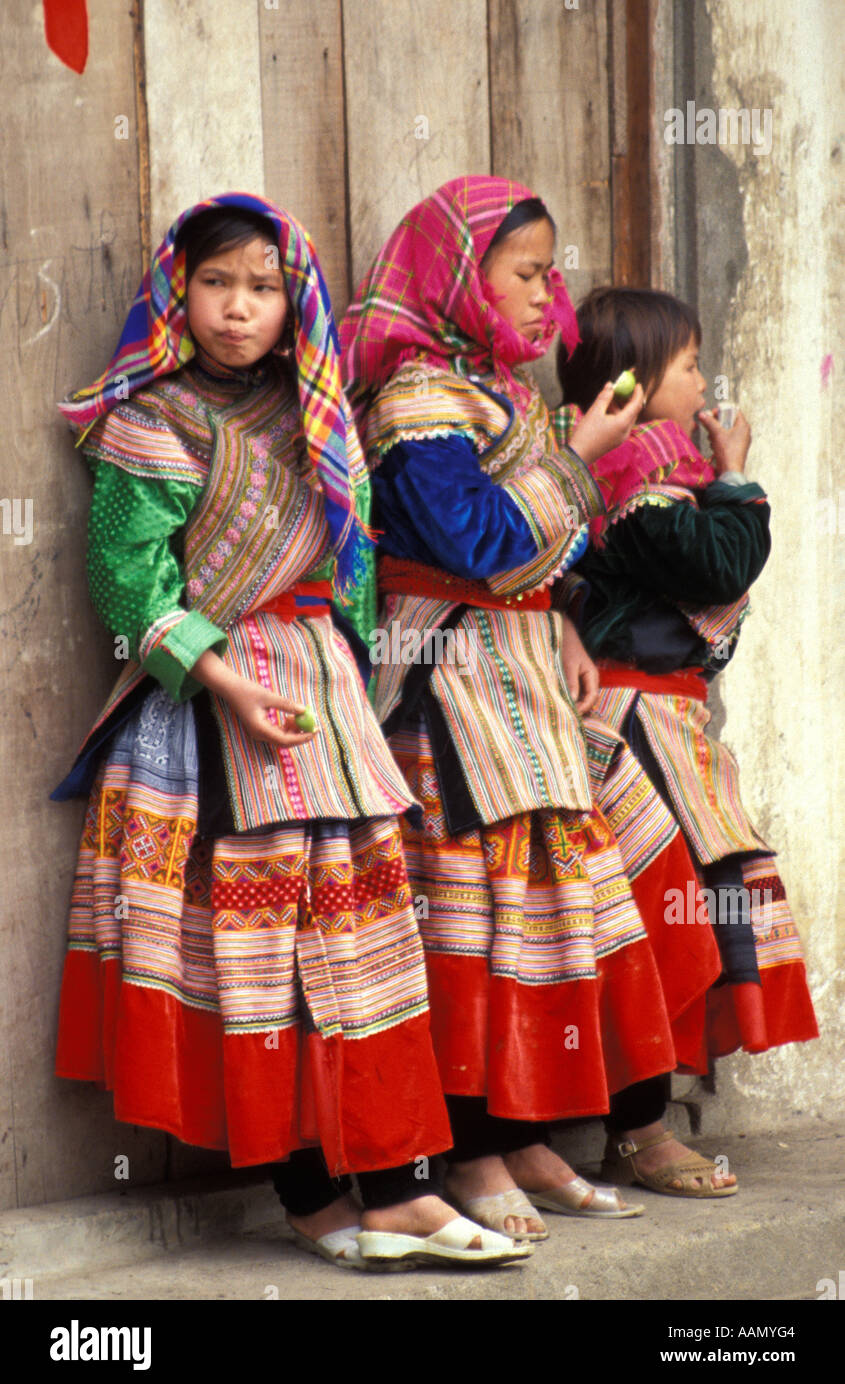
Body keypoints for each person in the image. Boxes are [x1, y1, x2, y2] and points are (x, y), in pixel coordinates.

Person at [50, 191, 531, 1270]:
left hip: (322, 702)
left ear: (292, 300)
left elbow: (348, 573)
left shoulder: (315, 411)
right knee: (258, 962)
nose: (235, 309)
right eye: (215, 282)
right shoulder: (150, 419)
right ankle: (313, 1200)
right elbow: (128, 582)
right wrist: (224, 682)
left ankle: (405, 1189)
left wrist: (355, 690)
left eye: (262, 288)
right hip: (216, 710)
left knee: (364, 949)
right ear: (179, 289)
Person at [340, 176, 721, 1238]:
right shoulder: (418, 398)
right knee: (465, 927)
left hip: (516, 682)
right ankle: (466, 1151)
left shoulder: (494, 391)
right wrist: (582, 459)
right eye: (523, 272)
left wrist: (555, 613)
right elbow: (470, 544)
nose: (544, 294)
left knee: (537, 920)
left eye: (549, 272)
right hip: (444, 689)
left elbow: (529, 556)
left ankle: (517, 1133)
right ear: (458, 276)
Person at [557, 286, 818, 1195]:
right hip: (630, 731)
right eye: (689, 366)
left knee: (678, 921)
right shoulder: (633, 483)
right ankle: (635, 1131)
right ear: (633, 383)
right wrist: (738, 477)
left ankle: (636, 1123)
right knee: (643, 925)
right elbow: (722, 564)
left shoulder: (656, 477)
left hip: (669, 721)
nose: (704, 381)